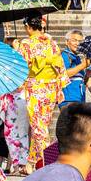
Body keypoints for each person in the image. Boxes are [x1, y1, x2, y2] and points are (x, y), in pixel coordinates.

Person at [19, 17, 64, 168]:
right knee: (41, 124)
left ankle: (50, 161)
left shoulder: (26, 44)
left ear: (28, 27)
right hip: (51, 87)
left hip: (36, 87)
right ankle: (32, 162)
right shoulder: (52, 43)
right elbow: (60, 68)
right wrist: (59, 87)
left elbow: (20, 65)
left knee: (38, 126)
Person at [60, 30, 89, 104]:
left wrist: (87, 75)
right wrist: (82, 65)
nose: (77, 44)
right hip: (69, 99)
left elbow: (80, 79)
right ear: (67, 42)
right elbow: (64, 74)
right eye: (74, 40)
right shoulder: (64, 55)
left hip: (79, 99)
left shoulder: (78, 58)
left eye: (80, 41)